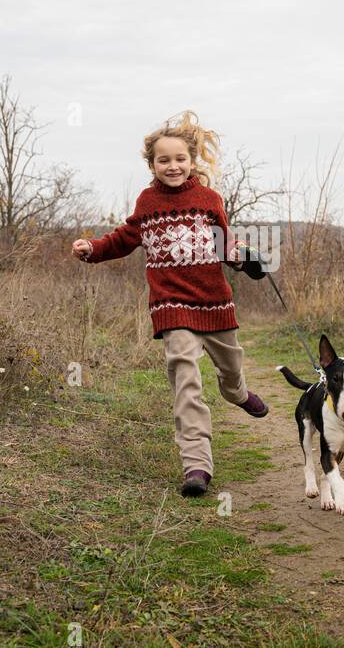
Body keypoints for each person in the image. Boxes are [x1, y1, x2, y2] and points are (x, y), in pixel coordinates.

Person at [72, 110, 269, 497]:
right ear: (152, 164)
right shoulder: (147, 204)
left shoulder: (209, 200)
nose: (173, 166)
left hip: (214, 304)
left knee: (230, 370)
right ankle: (197, 465)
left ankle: (238, 393)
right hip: (171, 306)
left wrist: (249, 260)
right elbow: (123, 238)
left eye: (180, 159)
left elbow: (224, 243)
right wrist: (92, 248)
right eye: (164, 160)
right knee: (185, 379)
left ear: (192, 162)